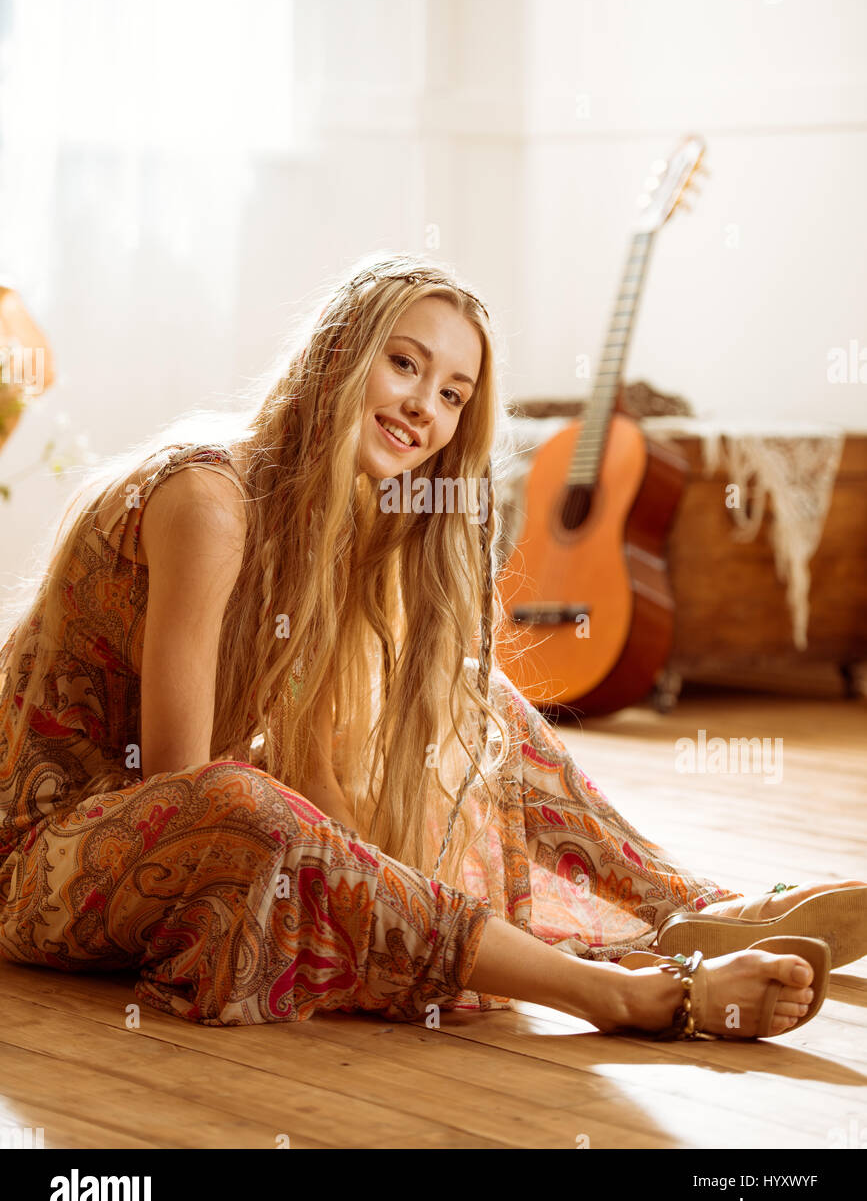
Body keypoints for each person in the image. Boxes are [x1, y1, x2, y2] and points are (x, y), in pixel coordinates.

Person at [0, 252, 862, 1039]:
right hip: (44, 862)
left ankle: (693, 910)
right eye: (405, 363)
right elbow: (179, 785)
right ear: (337, 355)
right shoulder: (207, 497)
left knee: (471, 703)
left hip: (178, 826)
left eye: (453, 394)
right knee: (246, 804)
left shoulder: (345, 522)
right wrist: (349, 862)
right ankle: (621, 993)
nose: (424, 406)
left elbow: (313, 769)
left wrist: (380, 873)